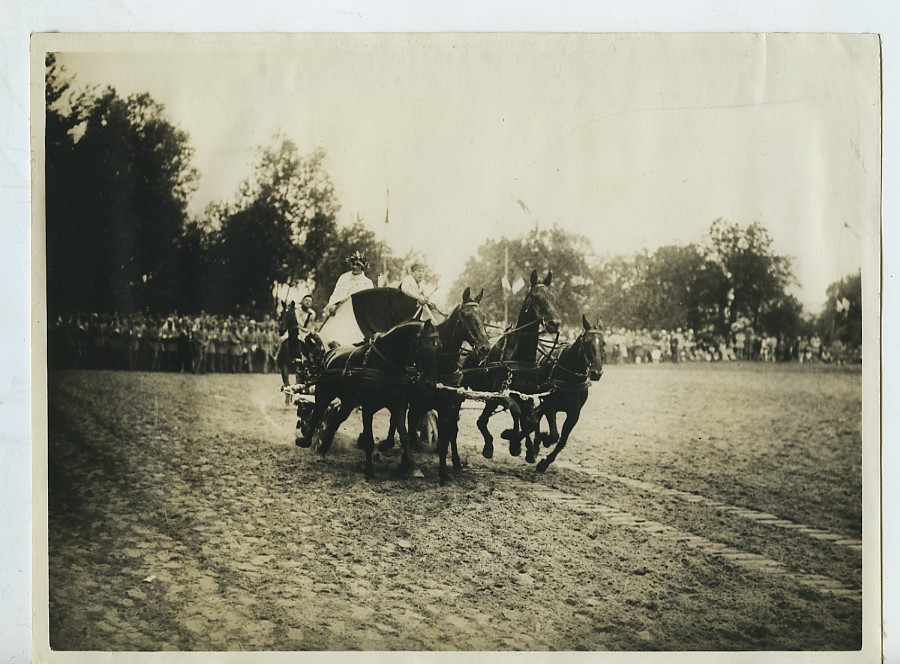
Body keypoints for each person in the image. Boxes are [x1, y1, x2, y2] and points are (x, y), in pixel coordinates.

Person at [324, 251, 374, 317]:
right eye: (353, 264)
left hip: (358, 314)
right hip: (341, 311)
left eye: (357, 265)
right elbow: (336, 294)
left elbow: (368, 303)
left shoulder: (367, 283)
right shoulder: (344, 277)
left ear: (362, 267)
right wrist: (333, 304)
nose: (354, 267)